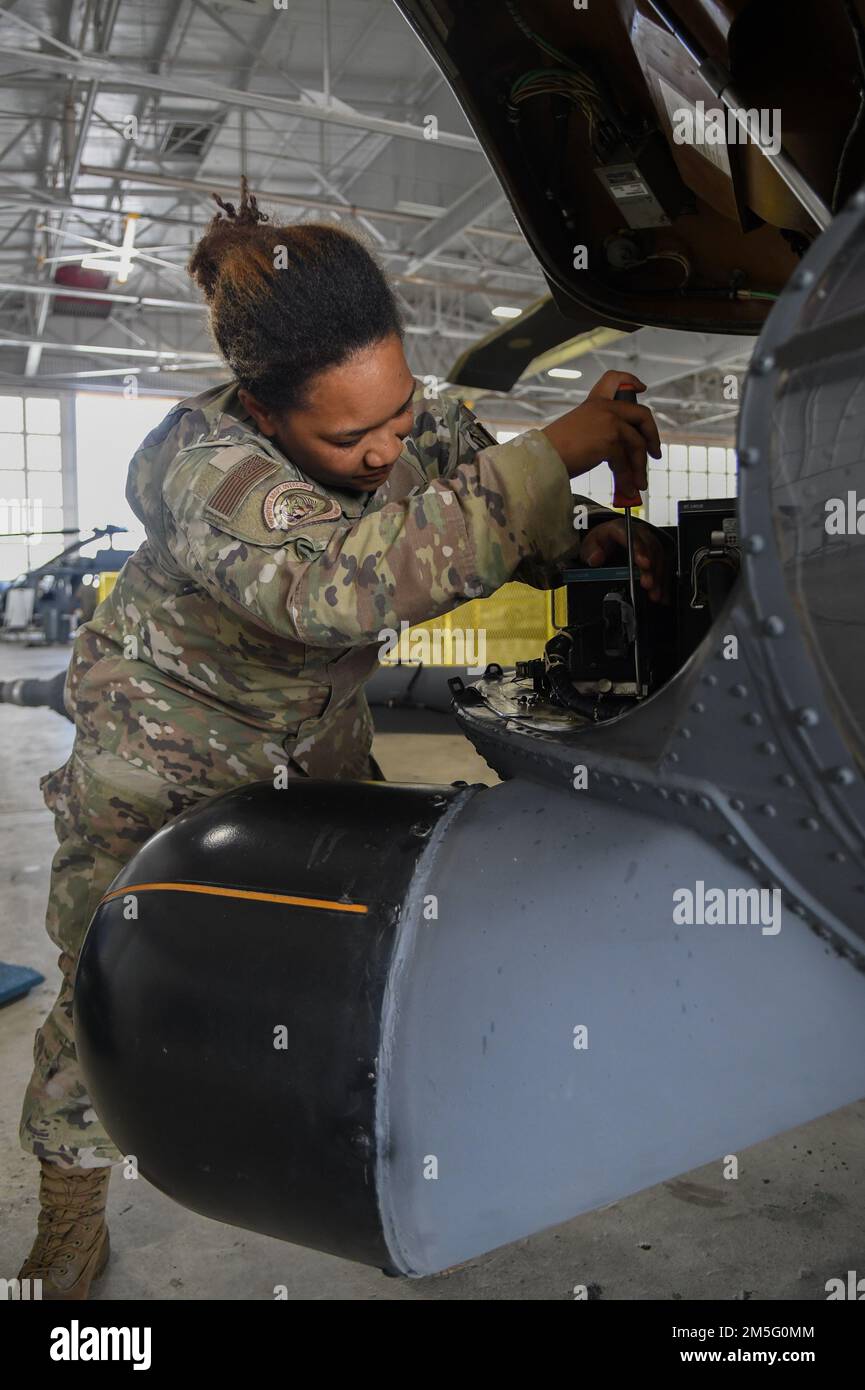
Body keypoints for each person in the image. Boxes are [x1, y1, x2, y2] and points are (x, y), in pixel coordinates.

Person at [17, 181, 667, 1299]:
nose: (385, 449)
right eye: (348, 433)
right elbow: (339, 590)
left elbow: (478, 510)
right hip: (166, 740)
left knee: (362, 944)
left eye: (399, 413)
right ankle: (70, 1208)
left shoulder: (412, 426)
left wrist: (604, 542)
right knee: (107, 981)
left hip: (310, 727)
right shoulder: (202, 462)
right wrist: (557, 446)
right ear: (267, 414)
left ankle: (379, 1155)